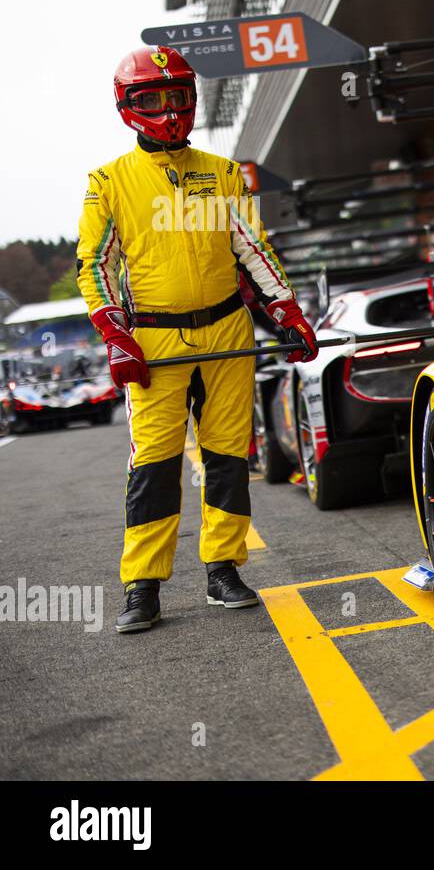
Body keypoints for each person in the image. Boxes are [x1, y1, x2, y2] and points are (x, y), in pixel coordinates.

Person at [76, 45, 318, 634]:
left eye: (177, 95)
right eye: (153, 99)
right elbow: (95, 266)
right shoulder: (108, 182)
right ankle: (142, 584)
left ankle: (223, 569)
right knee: (154, 464)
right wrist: (116, 335)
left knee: (229, 457)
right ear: (128, 107)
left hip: (228, 330)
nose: (168, 108)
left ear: (192, 98)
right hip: (154, 341)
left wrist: (287, 311)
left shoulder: (222, 171)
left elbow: (250, 247)